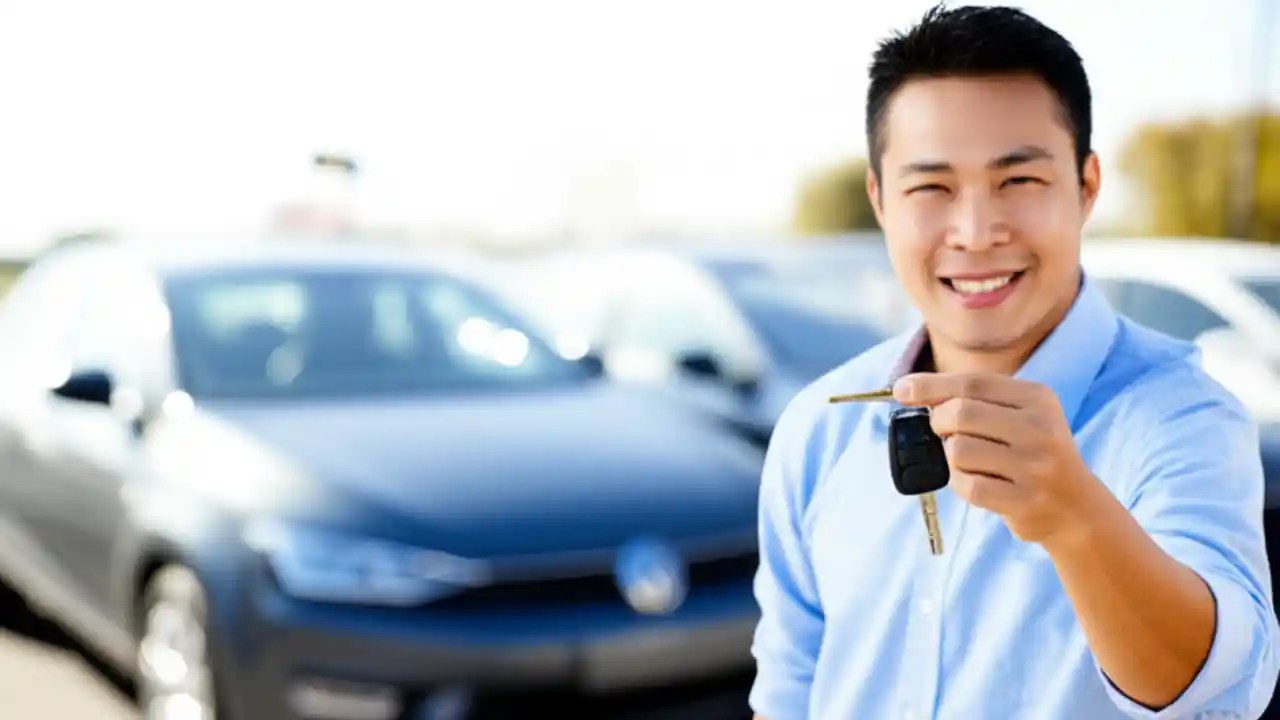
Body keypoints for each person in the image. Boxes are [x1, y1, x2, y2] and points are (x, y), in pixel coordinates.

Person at [749, 5, 1280, 719]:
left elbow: (1218, 689)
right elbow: (789, 690)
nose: (975, 232)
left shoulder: (1183, 418)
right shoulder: (818, 427)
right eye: (930, 188)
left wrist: (1073, 515)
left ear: (1086, 186)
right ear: (880, 200)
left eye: (1018, 181)